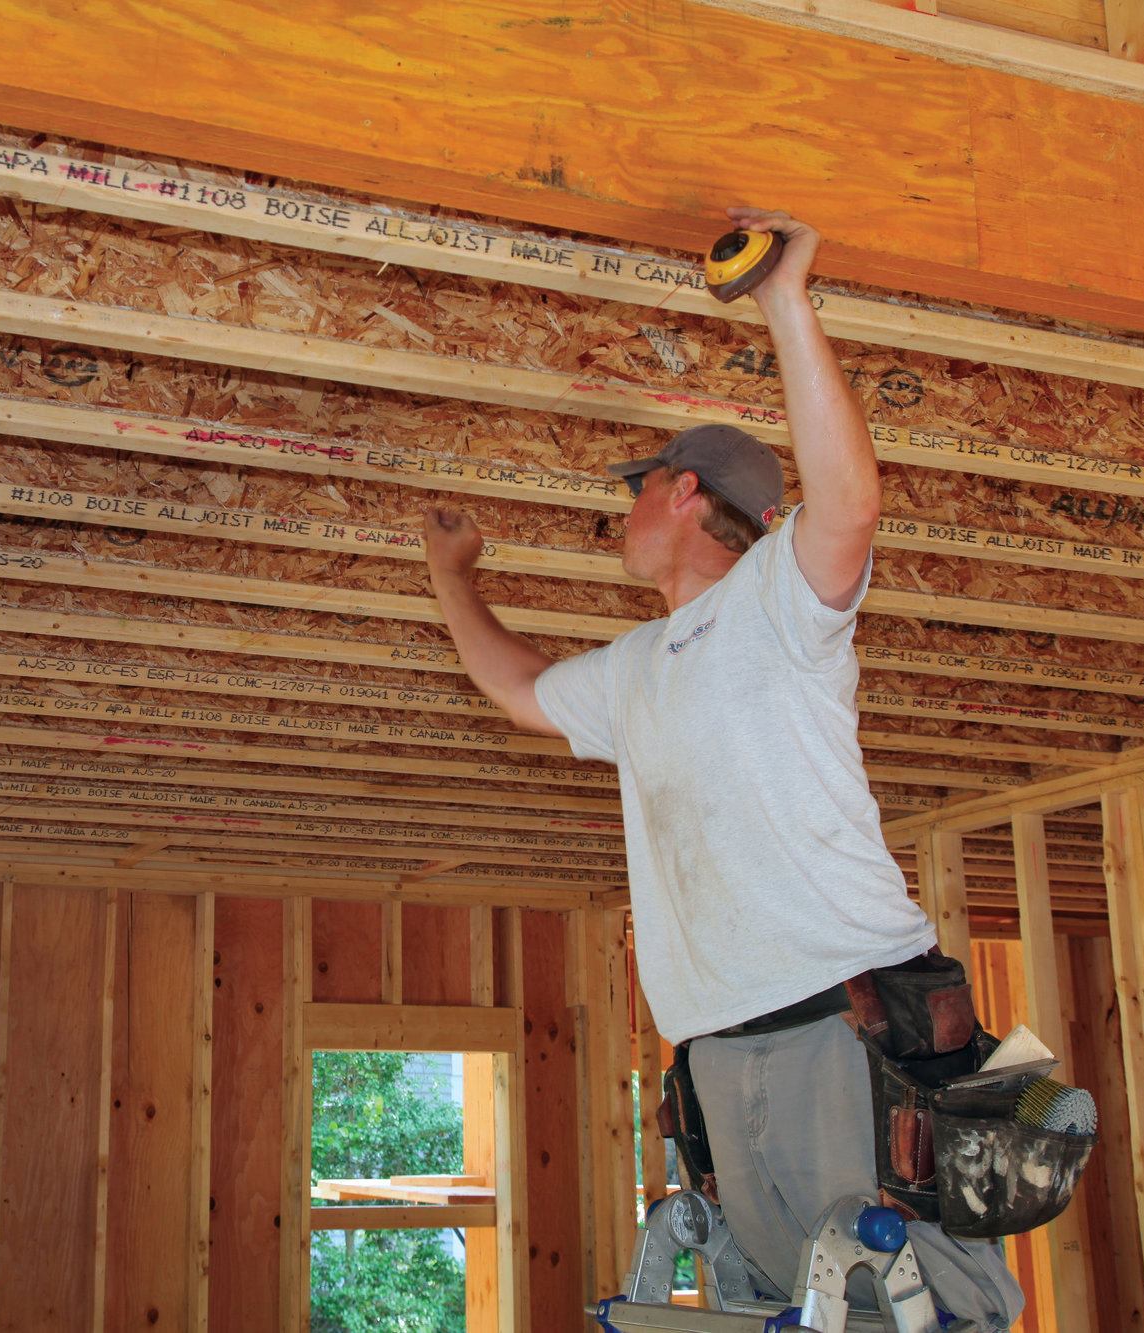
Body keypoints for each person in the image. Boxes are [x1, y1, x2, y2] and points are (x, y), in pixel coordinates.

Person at [421, 208, 1023, 1330]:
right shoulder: (636, 667)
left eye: (632, 489)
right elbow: (515, 689)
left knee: (921, 1310)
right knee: (789, 1310)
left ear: (685, 490)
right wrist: (453, 577)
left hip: (838, 1026)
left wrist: (784, 300)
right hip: (717, 1054)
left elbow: (847, 502)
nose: (620, 513)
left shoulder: (780, 600)